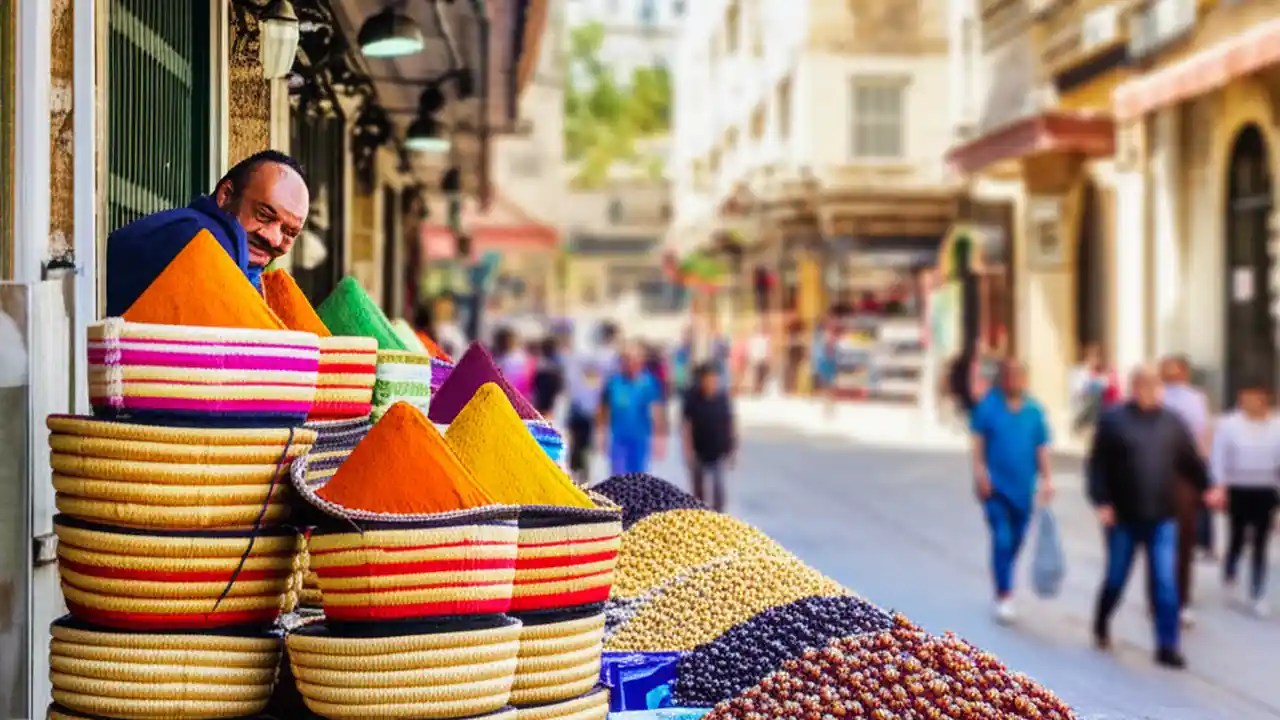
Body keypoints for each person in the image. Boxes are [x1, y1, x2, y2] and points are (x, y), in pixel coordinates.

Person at [1088, 364, 1210, 669]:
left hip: (1162, 518)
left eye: (1155, 386)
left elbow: (1191, 462)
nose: (1150, 391)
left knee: (1165, 583)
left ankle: (1167, 646)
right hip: (1124, 519)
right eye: (1144, 385)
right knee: (1116, 578)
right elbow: (1097, 466)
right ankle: (1102, 621)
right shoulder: (1114, 421)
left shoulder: (1173, 423)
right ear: (1133, 387)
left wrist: (1209, 489)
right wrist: (1102, 502)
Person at [106, 150, 309, 315]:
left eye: (289, 232)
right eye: (264, 215)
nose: (273, 239)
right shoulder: (201, 238)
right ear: (226, 195)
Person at [969, 358, 1054, 624]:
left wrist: (1047, 479)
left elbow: (1041, 447)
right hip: (995, 489)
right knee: (1002, 539)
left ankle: (1004, 574)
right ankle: (1004, 594)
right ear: (1003, 379)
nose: (1015, 380)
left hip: (1023, 489)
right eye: (1011, 375)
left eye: (1020, 375)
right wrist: (981, 473)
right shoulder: (989, 406)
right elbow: (978, 442)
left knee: (1016, 540)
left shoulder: (1034, 411)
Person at [1209, 375, 1280, 618]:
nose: (1250, 402)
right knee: (1237, 535)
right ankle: (1230, 572)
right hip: (1238, 486)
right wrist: (1219, 485)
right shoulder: (1229, 424)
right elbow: (1218, 456)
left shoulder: (1276, 426)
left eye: (1256, 398)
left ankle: (1257, 592)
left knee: (1261, 541)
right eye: (1245, 398)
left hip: (1265, 487)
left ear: (1265, 400)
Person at [1158, 354, 1212, 626]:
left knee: (1184, 541)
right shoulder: (1157, 396)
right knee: (1160, 540)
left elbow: (1203, 437)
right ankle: (1163, 597)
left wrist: (1205, 479)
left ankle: (1181, 600)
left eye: (1173, 369)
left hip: (1185, 477)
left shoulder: (1195, 399)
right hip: (1158, 477)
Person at [598, 344, 667, 476]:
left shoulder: (649, 383)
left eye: (635, 360)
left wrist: (660, 438)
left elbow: (657, 410)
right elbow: (604, 409)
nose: (631, 364)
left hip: (640, 439)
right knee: (618, 478)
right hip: (618, 439)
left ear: (641, 363)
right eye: (627, 360)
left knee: (638, 478)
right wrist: (601, 434)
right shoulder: (614, 382)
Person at [564, 322, 620, 483]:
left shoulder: (602, 357)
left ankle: (582, 481)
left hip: (586, 410)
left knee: (584, 451)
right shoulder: (606, 357)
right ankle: (581, 481)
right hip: (584, 410)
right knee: (581, 451)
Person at [681, 362, 737, 511]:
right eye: (707, 379)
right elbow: (687, 425)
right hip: (698, 450)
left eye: (714, 379)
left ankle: (718, 518)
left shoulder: (722, 398)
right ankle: (701, 517)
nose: (711, 383)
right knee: (698, 491)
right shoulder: (692, 398)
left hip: (718, 450)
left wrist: (733, 449)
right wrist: (688, 450)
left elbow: (730, 423)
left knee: (719, 489)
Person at [493, 327, 533, 400]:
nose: (504, 343)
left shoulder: (522, 359)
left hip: (516, 397)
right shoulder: (494, 357)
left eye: (507, 340)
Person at [531, 336, 565, 418]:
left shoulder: (556, 362)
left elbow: (558, 383)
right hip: (543, 397)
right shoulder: (541, 362)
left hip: (551, 398)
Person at [748, 326, 770, 394]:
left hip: (761, 359)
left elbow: (766, 350)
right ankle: (757, 389)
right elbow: (751, 350)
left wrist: (766, 359)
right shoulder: (754, 340)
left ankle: (760, 389)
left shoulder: (764, 339)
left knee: (761, 375)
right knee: (757, 375)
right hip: (757, 360)